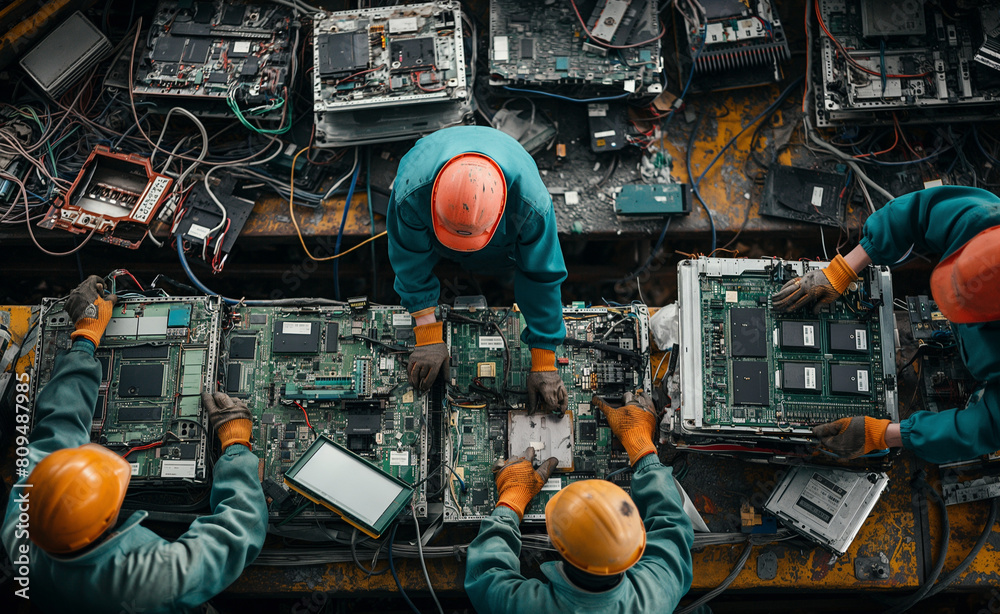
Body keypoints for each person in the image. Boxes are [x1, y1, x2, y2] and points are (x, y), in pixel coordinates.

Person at [0, 276, 268, 613]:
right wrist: (237, 449)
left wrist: (84, 341)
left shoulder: (23, 526)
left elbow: (58, 428)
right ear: (110, 518)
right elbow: (239, 532)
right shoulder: (155, 581)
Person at [771, 186, 1000, 464]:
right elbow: (916, 214)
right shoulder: (986, 223)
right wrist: (842, 270)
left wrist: (883, 435)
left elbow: (983, 427)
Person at [387, 126, 568, 414]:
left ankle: (501, 275)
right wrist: (428, 334)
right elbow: (409, 260)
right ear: (433, 200)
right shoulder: (412, 190)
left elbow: (541, 277)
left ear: (501, 209)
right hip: (441, 241)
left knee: (515, 272)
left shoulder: (531, 206)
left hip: (502, 251)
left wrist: (545, 361)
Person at [464, 392, 694, 613]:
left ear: (556, 544)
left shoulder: (525, 608)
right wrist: (642, 448)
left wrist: (511, 501)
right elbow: (672, 525)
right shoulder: (658, 595)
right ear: (636, 547)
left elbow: (485, 576)